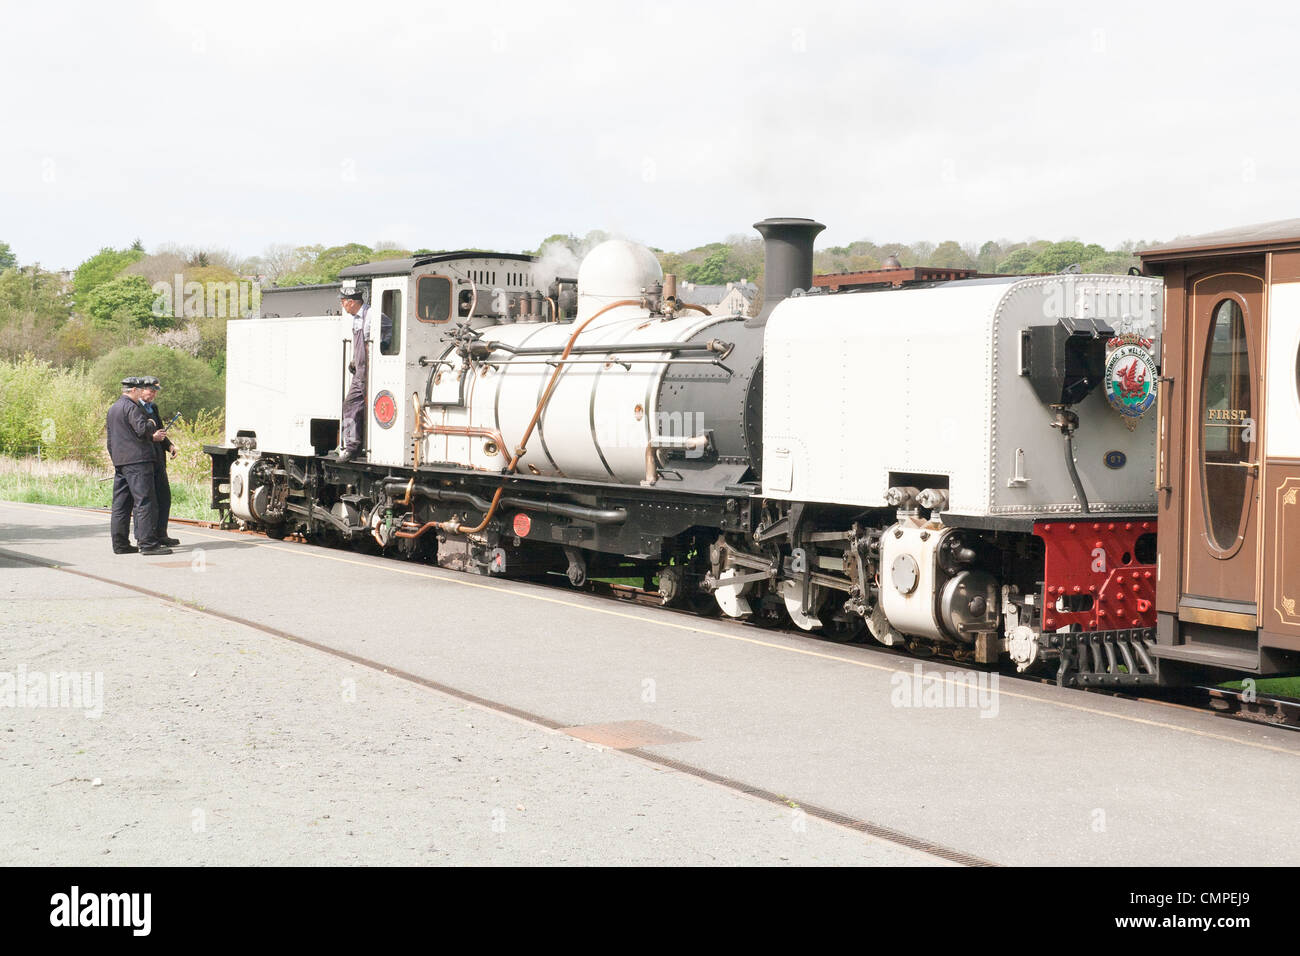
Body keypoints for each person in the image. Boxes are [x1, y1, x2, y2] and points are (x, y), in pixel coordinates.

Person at [106, 377, 172, 556]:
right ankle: (148, 544)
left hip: (121, 462)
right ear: (134, 390)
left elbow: (110, 440)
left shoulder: (113, 408)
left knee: (120, 505)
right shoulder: (131, 407)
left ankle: (120, 544)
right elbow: (142, 430)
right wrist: (151, 426)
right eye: (139, 389)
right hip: (138, 462)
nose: (141, 393)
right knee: (144, 502)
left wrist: (116, 459)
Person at [336, 282, 391, 463]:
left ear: (352, 302)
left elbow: (390, 328)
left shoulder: (373, 315)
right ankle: (352, 446)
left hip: (370, 371)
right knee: (350, 406)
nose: (342, 305)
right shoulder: (357, 318)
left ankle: (353, 448)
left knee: (354, 406)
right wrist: (355, 359)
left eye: (343, 301)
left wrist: (383, 347)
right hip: (360, 371)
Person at [139, 376, 180, 546]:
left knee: (164, 497)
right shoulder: (134, 407)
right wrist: (151, 437)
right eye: (151, 390)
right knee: (149, 500)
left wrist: (169, 445)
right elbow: (139, 434)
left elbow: (160, 431)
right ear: (141, 390)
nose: (154, 394)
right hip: (144, 458)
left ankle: (161, 533)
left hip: (158, 459)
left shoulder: (152, 407)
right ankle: (150, 536)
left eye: (156, 391)